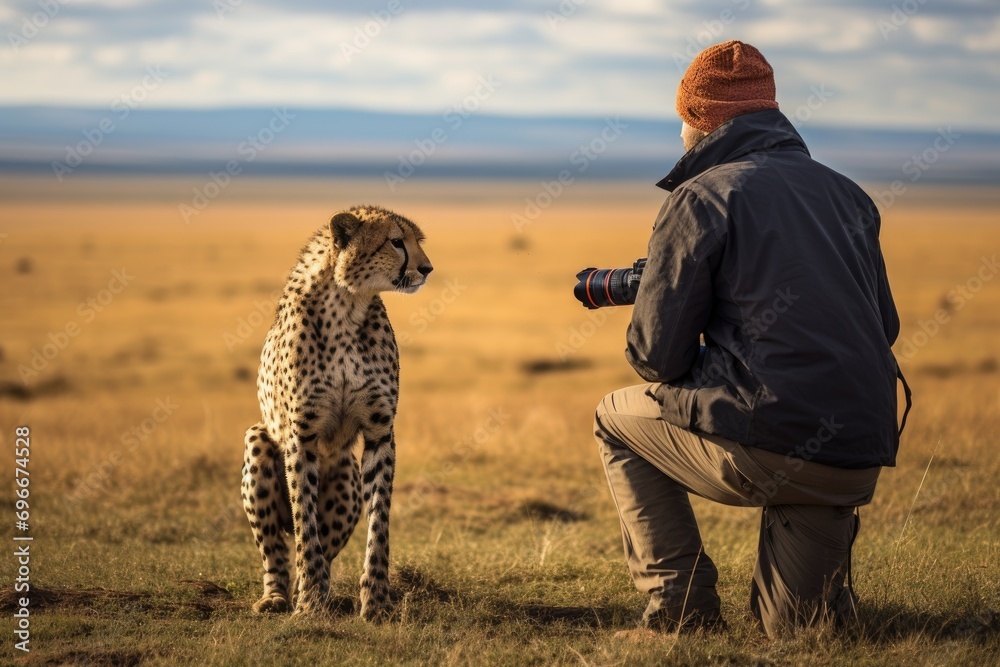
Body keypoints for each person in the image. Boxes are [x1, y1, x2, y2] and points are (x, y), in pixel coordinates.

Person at [594, 40, 909, 638]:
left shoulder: (701, 196)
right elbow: (883, 328)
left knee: (615, 418)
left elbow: (655, 359)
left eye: (682, 119)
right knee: (796, 637)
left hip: (769, 444)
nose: (680, 132)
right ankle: (812, 603)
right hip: (854, 455)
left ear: (700, 120)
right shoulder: (850, 196)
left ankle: (678, 611)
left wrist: (670, 295)